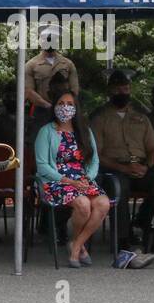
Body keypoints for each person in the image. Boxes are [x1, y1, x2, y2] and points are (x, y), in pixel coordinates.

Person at [34, 88, 110, 267]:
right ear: (54, 107)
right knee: (83, 205)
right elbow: (42, 165)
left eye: (69, 104)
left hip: (82, 180)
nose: (65, 107)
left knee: (102, 203)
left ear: (76, 108)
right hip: (56, 181)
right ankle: (78, 249)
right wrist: (68, 181)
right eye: (61, 104)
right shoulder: (46, 132)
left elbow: (94, 161)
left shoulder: (84, 131)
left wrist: (87, 179)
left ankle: (76, 244)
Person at [91, 70, 154, 250]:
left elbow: (153, 148)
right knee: (119, 188)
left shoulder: (141, 117)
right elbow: (96, 154)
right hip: (113, 168)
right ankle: (123, 238)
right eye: (118, 89)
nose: (122, 92)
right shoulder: (99, 118)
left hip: (141, 166)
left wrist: (146, 166)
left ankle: (142, 222)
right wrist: (123, 168)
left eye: (126, 88)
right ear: (110, 91)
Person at [25, 23, 80, 133]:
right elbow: (28, 91)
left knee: (65, 143)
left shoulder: (68, 64)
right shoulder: (31, 64)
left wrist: (64, 106)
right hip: (41, 112)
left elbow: (74, 89)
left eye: (52, 39)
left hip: (65, 111)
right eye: (46, 39)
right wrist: (48, 105)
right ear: (40, 40)